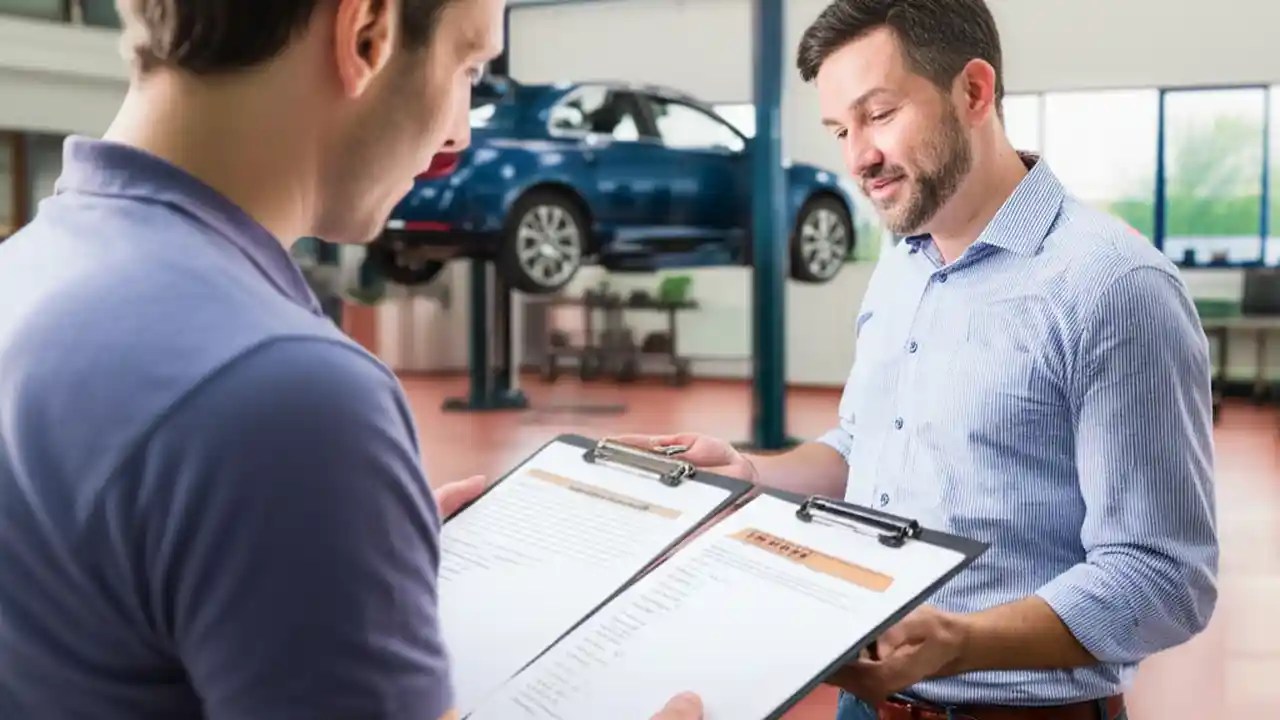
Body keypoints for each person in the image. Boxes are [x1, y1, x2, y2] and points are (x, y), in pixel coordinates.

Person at [0, 1, 701, 718]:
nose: (459, 133)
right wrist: (314, 473)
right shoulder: (284, 394)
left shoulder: (26, 272)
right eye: (467, 67)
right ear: (367, 34)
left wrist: (335, 545)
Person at [618, 1, 1218, 719]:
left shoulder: (1113, 288)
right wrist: (750, 476)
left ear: (974, 92)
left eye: (878, 115)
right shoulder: (903, 265)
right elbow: (865, 448)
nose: (857, 158)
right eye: (841, 130)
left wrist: (963, 642)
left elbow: (1165, 577)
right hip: (865, 705)